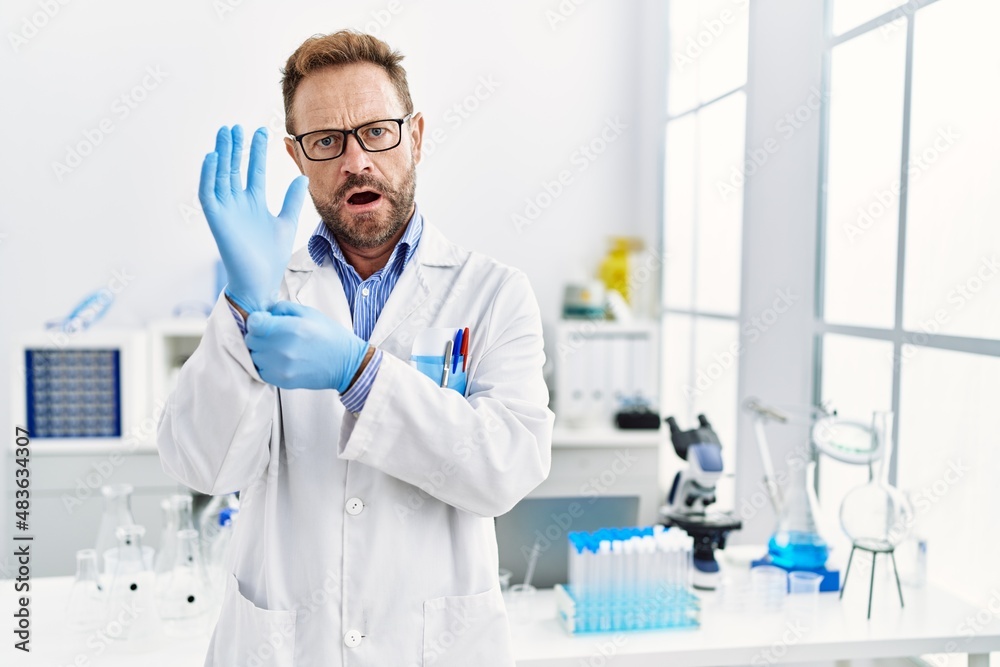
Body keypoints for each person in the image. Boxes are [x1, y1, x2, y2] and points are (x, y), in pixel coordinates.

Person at [157, 30, 553, 667]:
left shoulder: (496, 294)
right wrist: (243, 302)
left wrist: (361, 375)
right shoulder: (266, 289)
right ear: (298, 156)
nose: (356, 161)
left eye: (377, 131)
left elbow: (504, 470)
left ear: (416, 135)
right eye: (326, 141)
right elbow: (206, 468)